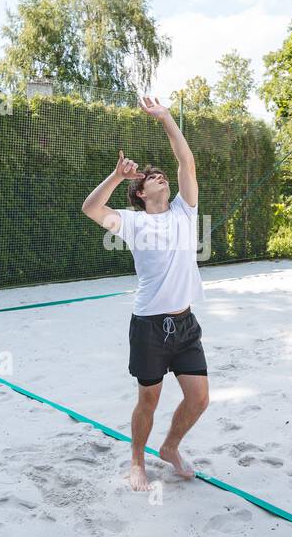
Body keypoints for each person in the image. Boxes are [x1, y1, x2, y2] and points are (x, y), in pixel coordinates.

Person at [81, 96, 209, 492]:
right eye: (153, 178)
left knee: (199, 399)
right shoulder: (133, 223)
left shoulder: (185, 212)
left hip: (185, 324)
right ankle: (136, 461)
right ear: (139, 193)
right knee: (148, 402)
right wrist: (118, 176)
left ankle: (169, 448)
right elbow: (90, 208)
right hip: (150, 326)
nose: (162, 179)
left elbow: (185, 163)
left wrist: (166, 117)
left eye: (162, 176)